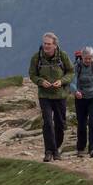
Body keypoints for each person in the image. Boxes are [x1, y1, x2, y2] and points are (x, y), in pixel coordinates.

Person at [28, 32, 74, 162]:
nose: (46, 46)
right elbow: (32, 74)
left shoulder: (62, 56)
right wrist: (41, 82)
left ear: (55, 45)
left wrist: (62, 81)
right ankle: (49, 151)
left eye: (48, 44)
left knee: (60, 124)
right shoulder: (36, 58)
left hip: (60, 95)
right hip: (45, 95)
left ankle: (56, 148)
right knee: (47, 123)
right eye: (44, 43)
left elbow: (71, 72)